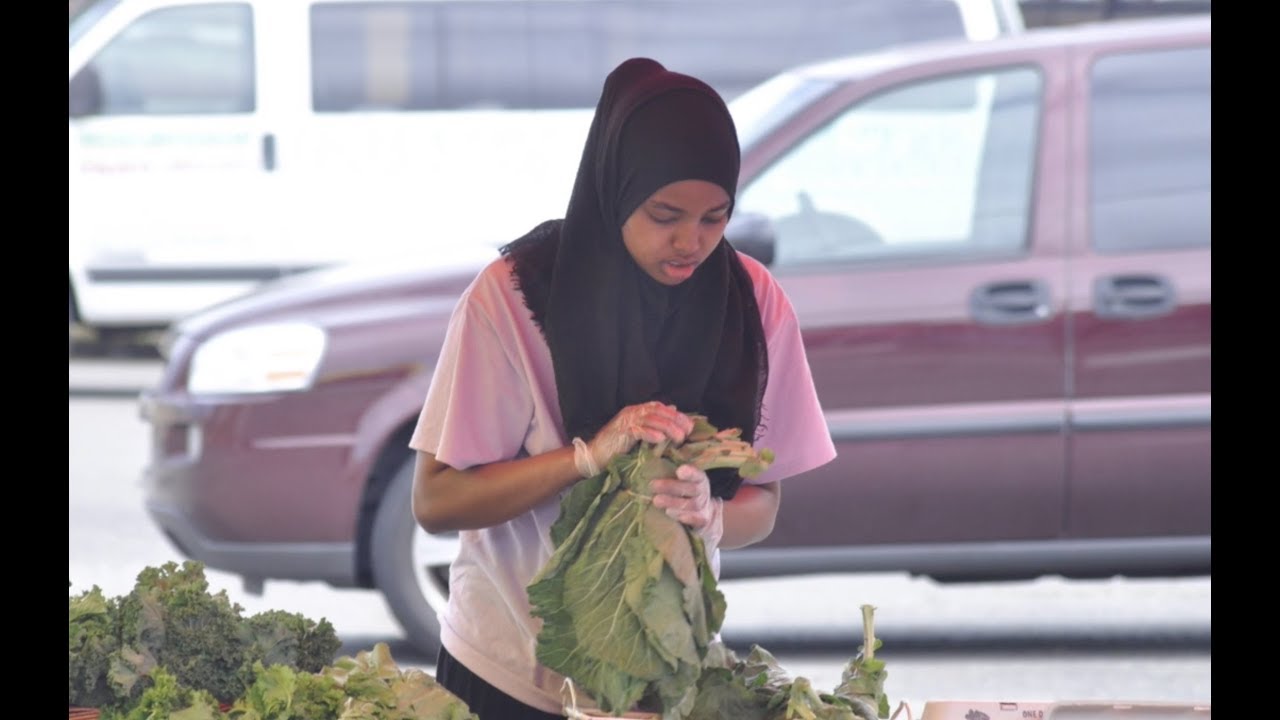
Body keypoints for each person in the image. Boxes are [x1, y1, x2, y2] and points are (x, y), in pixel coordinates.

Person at [407, 56, 837, 719]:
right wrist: (586, 457)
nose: (689, 242)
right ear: (615, 188)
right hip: (508, 672)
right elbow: (436, 501)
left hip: (662, 681)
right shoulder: (512, 299)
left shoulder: (753, 303)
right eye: (665, 214)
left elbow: (764, 505)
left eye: (714, 217)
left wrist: (713, 514)